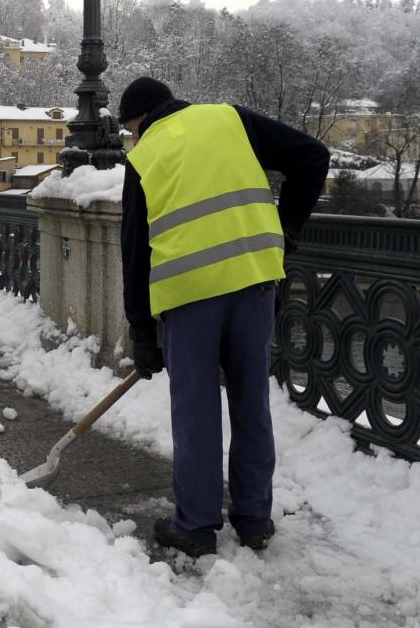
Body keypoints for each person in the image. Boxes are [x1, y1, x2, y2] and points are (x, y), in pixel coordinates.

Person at [118, 76, 329, 558]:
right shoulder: (230, 118)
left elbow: (135, 253)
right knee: (251, 402)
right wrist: (286, 228)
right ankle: (254, 519)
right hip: (255, 282)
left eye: (129, 129)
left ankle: (195, 527)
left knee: (196, 412)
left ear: (138, 120)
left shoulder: (144, 156)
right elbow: (313, 157)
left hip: (189, 296)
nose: (131, 138)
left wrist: (141, 332)